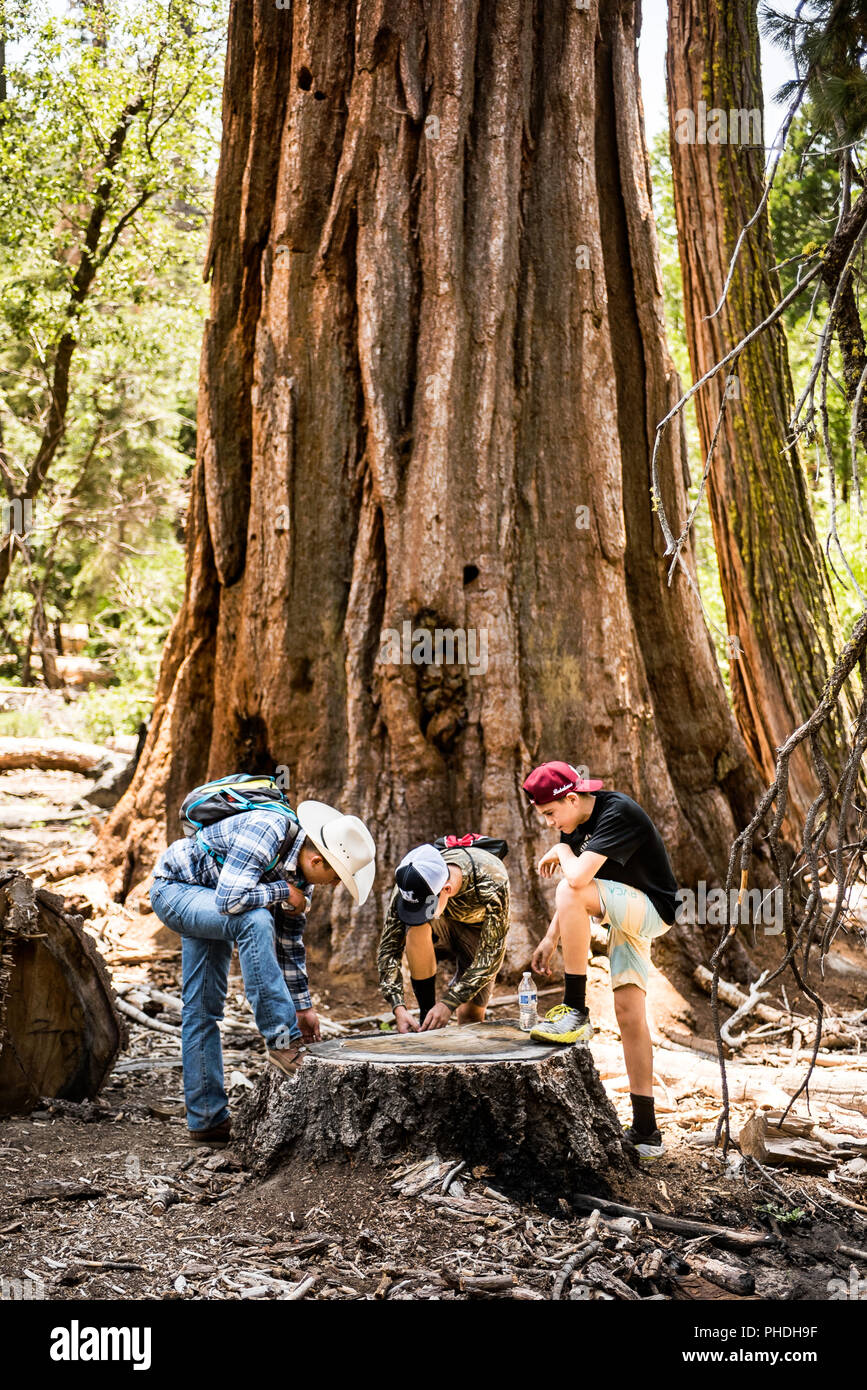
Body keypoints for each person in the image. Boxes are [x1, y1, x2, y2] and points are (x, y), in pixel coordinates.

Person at [150, 799, 375, 1144]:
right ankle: (281, 1041)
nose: (334, 886)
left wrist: (303, 1007)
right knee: (254, 919)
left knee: (202, 1009)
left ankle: (206, 1119)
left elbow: (288, 945)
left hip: (211, 897)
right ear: (317, 859)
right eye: (335, 877)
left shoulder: (302, 876)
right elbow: (230, 901)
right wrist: (282, 891)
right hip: (176, 890)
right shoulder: (266, 829)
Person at [522, 761, 678, 1160]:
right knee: (628, 1013)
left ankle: (575, 1009)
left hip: (652, 909)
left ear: (571, 798)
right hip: (625, 912)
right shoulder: (578, 825)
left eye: (551, 814)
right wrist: (549, 938)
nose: (551, 825)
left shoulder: (616, 812)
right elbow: (580, 888)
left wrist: (561, 850)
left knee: (569, 885)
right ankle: (646, 1131)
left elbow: (575, 883)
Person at [378, 842, 510, 1033]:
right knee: (416, 926)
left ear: (446, 889)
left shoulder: (491, 878)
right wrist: (398, 1007)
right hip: (439, 924)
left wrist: (449, 1003)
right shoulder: (409, 881)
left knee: (471, 1020)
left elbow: (491, 955)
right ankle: (426, 1015)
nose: (417, 912)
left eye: (424, 909)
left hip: (478, 930)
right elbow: (388, 949)